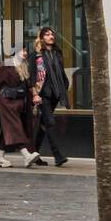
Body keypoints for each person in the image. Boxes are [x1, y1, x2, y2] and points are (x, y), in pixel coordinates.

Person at [0, 48, 40, 169]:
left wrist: (35, 96)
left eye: (26, 51)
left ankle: (0, 159)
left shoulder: (24, 65)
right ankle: (26, 155)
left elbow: (29, 84)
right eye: (22, 51)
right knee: (15, 126)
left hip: (19, 102)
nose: (25, 53)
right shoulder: (6, 65)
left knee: (9, 128)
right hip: (7, 102)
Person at [32, 25, 70, 168]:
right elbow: (31, 76)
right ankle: (58, 155)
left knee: (44, 124)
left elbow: (60, 71)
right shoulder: (36, 55)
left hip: (55, 93)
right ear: (42, 38)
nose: (51, 36)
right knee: (49, 122)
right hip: (43, 93)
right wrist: (35, 94)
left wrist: (65, 86)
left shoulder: (57, 53)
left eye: (52, 34)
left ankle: (33, 153)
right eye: (47, 34)